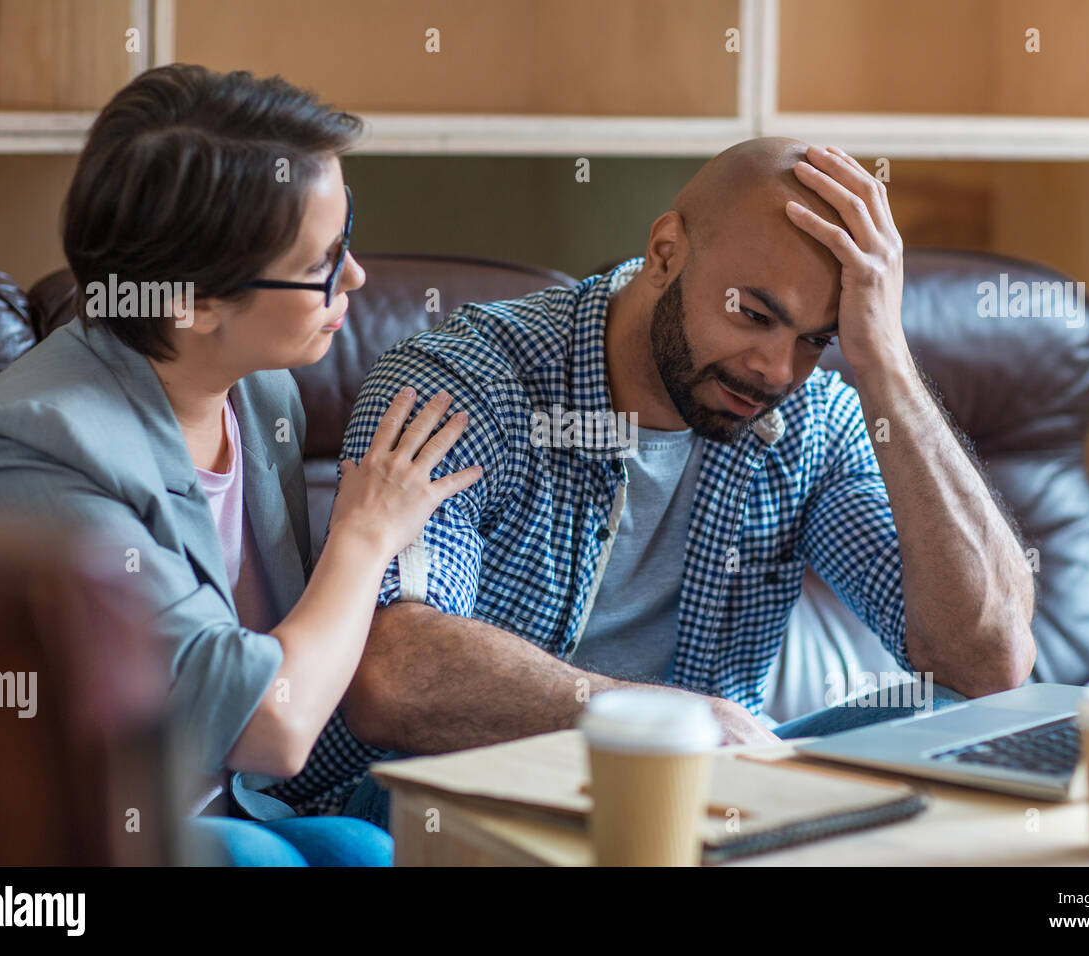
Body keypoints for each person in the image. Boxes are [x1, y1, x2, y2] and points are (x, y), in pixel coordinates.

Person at [258, 137, 1038, 827]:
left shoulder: (814, 420)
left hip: (705, 794)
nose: (774, 369)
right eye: (753, 314)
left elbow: (987, 664)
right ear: (666, 250)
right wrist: (667, 722)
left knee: (951, 722)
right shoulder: (469, 383)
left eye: (816, 340)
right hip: (454, 787)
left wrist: (886, 365)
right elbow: (395, 675)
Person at [0, 64, 482, 865]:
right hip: (102, 834)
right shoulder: (35, 448)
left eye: (348, 234)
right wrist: (364, 536)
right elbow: (274, 721)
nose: (356, 277)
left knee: (438, 815)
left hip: (250, 804)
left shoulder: (263, 393)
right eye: (323, 262)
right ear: (190, 304)